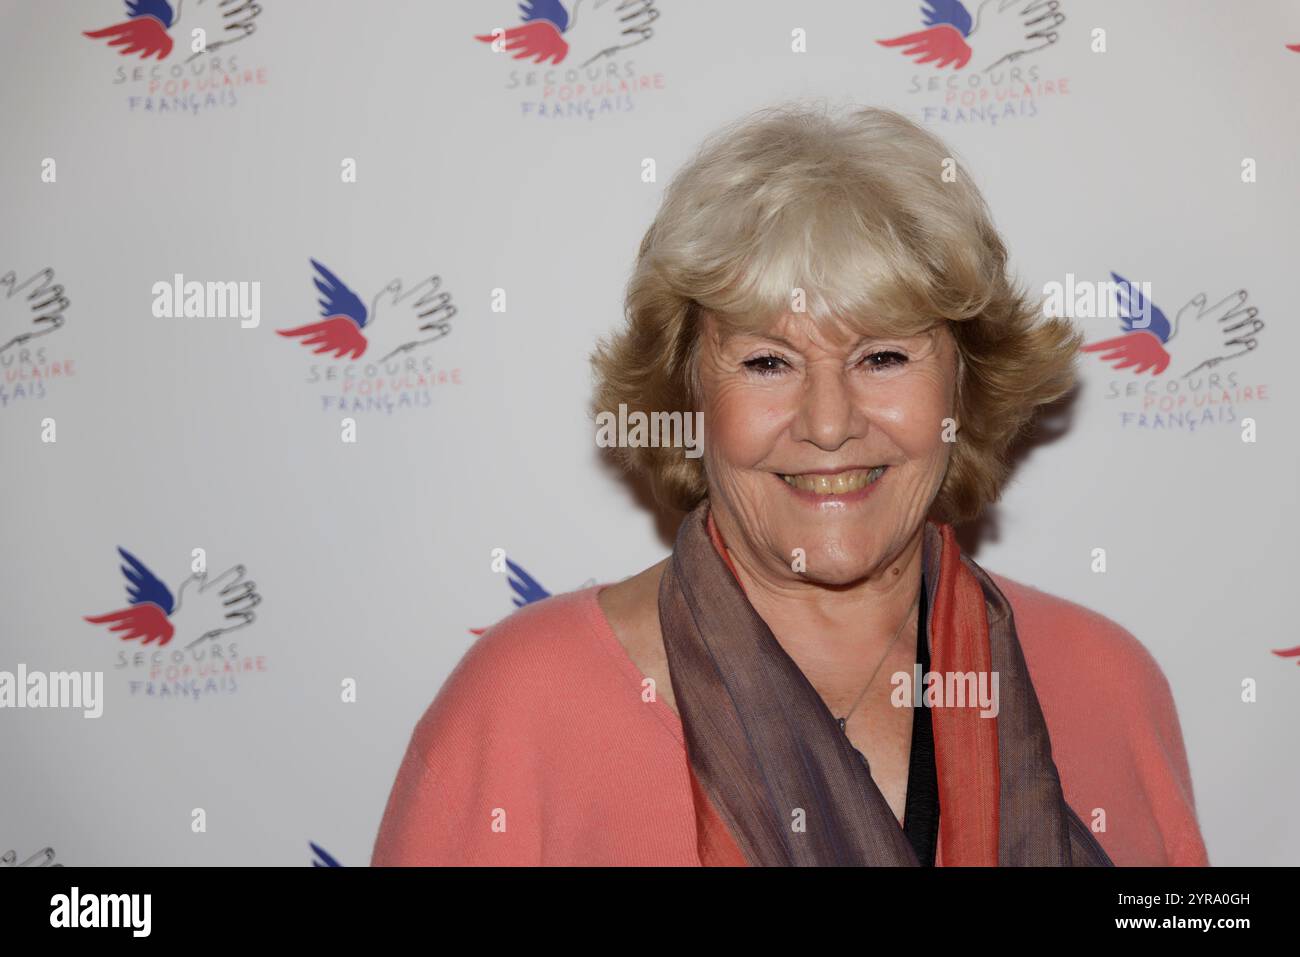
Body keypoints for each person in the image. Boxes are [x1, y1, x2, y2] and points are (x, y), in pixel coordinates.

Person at [371, 103, 1209, 866]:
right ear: (687, 392)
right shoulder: (523, 709)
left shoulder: (1108, 685)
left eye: (882, 356)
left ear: (966, 380)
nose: (830, 421)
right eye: (768, 361)